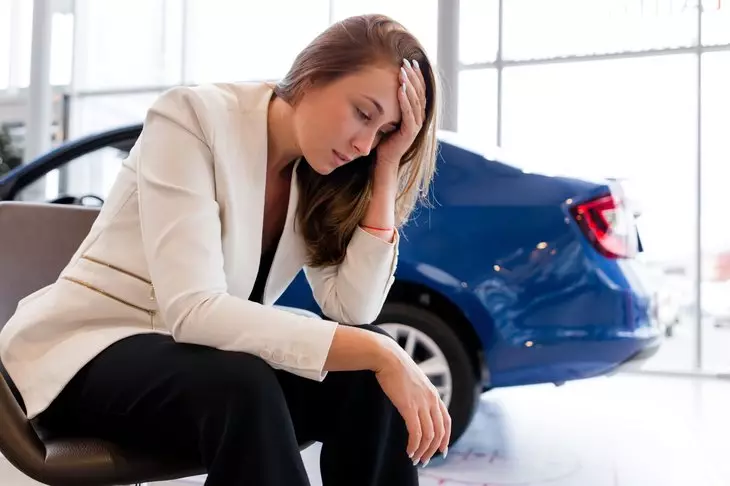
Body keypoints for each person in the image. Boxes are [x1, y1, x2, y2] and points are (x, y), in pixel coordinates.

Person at [0, 13, 448, 486]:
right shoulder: (192, 117)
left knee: (368, 382)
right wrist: (383, 351)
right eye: (362, 113)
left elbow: (351, 307)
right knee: (246, 383)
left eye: (383, 133)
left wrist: (386, 170)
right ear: (315, 74)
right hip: (88, 352)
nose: (363, 143)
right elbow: (194, 311)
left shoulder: (318, 174)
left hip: (198, 365)